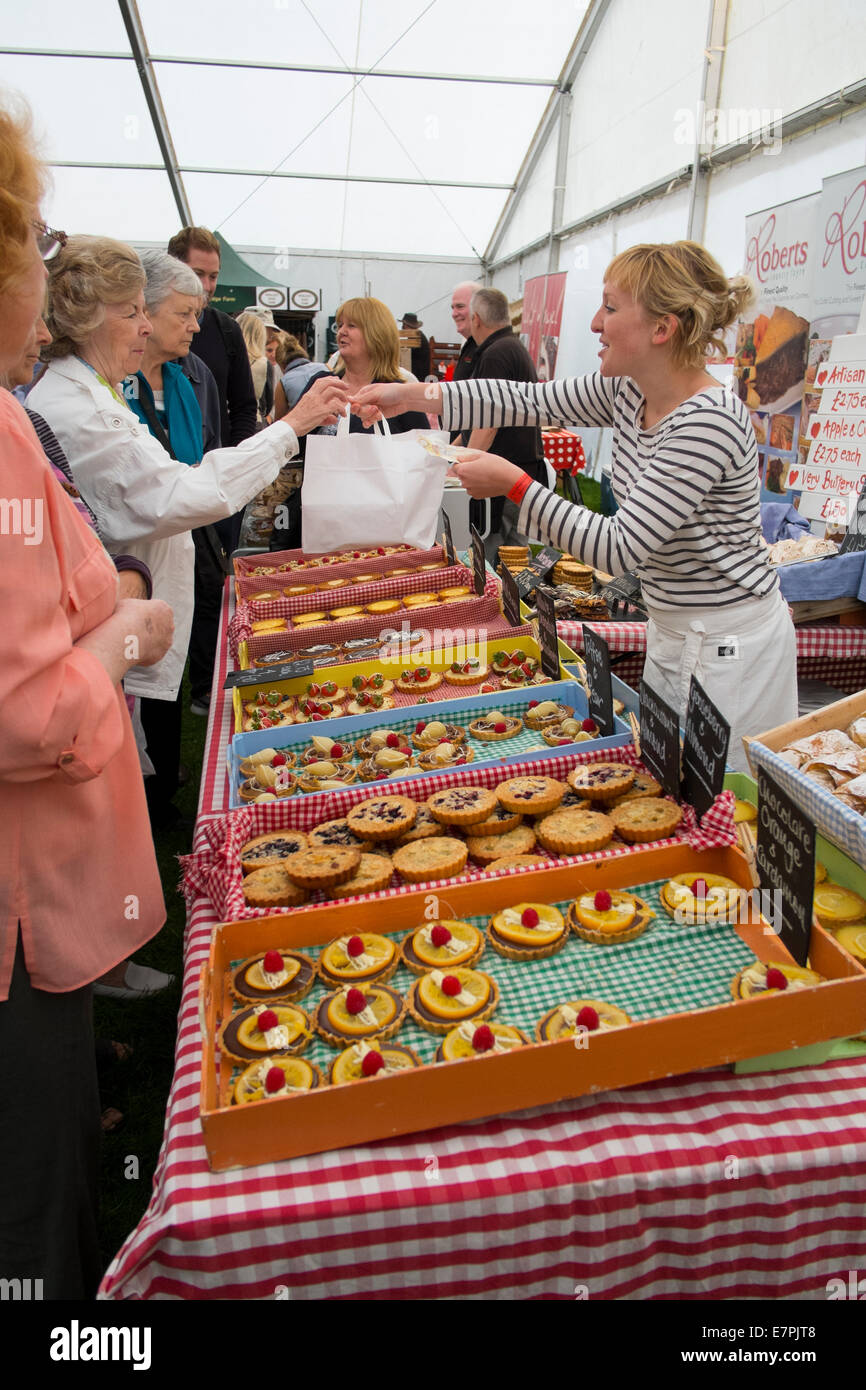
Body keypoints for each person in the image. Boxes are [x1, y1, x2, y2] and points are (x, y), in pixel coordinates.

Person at [352, 241, 797, 772]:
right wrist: (414, 398)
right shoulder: (629, 392)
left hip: (730, 650)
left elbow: (618, 547)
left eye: (610, 307)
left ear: (663, 328)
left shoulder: (708, 420)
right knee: (670, 786)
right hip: (675, 631)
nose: (594, 323)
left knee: (728, 804)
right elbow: (524, 399)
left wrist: (516, 486)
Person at [0, 102, 174, 1296]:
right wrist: (119, 632)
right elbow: (28, 712)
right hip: (19, 917)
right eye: (36, 246)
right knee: (27, 1214)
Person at [28, 237, 350, 826]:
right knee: (99, 783)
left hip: (122, 613)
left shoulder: (95, 392)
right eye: (133, 312)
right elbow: (183, 493)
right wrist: (293, 427)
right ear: (91, 317)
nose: (146, 328)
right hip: (106, 620)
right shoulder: (80, 407)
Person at [461, 286, 549, 560]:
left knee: (499, 556)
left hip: (507, 476)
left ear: (476, 318)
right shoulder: (510, 347)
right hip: (517, 471)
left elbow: (488, 422)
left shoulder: (497, 353)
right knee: (513, 555)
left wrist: (461, 464)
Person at [237, 309, 277, 426]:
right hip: (253, 423)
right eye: (267, 331)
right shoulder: (263, 363)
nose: (270, 336)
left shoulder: (225, 356)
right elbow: (267, 404)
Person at [274, 332, 330, 414]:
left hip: (305, 425)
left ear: (281, 363)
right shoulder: (325, 367)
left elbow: (280, 422)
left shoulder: (283, 383)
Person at [450, 280, 481, 381]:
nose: (454, 314)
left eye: (460, 307)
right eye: (452, 308)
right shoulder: (470, 343)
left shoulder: (490, 348)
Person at [400, 311, 430, 380]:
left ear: (406, 325)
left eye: (403, 324)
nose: (402, 327)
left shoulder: (416, 337)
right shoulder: (416, 335)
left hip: (418, 375)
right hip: (418, 373)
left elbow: (406, 353)